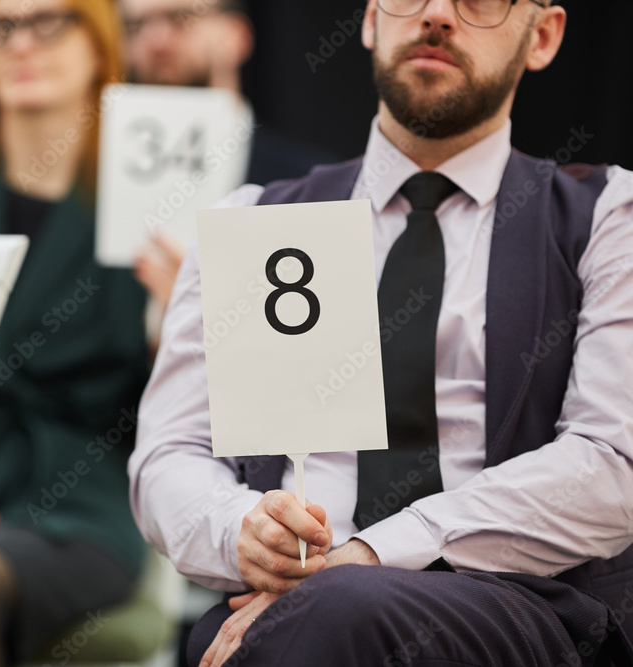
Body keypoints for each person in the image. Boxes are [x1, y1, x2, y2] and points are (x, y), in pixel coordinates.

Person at [130, 0, 633, 664]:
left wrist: (368, 554)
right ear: (370, 21)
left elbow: (611, 463)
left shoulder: (607, 218)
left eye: (477, 2)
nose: (436, 16)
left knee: (337, 610)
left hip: (521, 610)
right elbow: (168, 453)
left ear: (542, 36)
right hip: (274, 604)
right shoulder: (253, 218)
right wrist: (241, 531)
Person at [0, 0, 149, 664]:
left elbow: (185, 409)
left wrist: (176, 317)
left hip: (79, 507)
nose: (21, 45)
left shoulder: (147, 219)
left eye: (48, 21)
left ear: (99, 43)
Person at [120, 0, 332, 314]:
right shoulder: (98, 185)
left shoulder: (316, 188)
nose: (156, 39)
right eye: (135, 26)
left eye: (180, 17)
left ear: (237, 36)